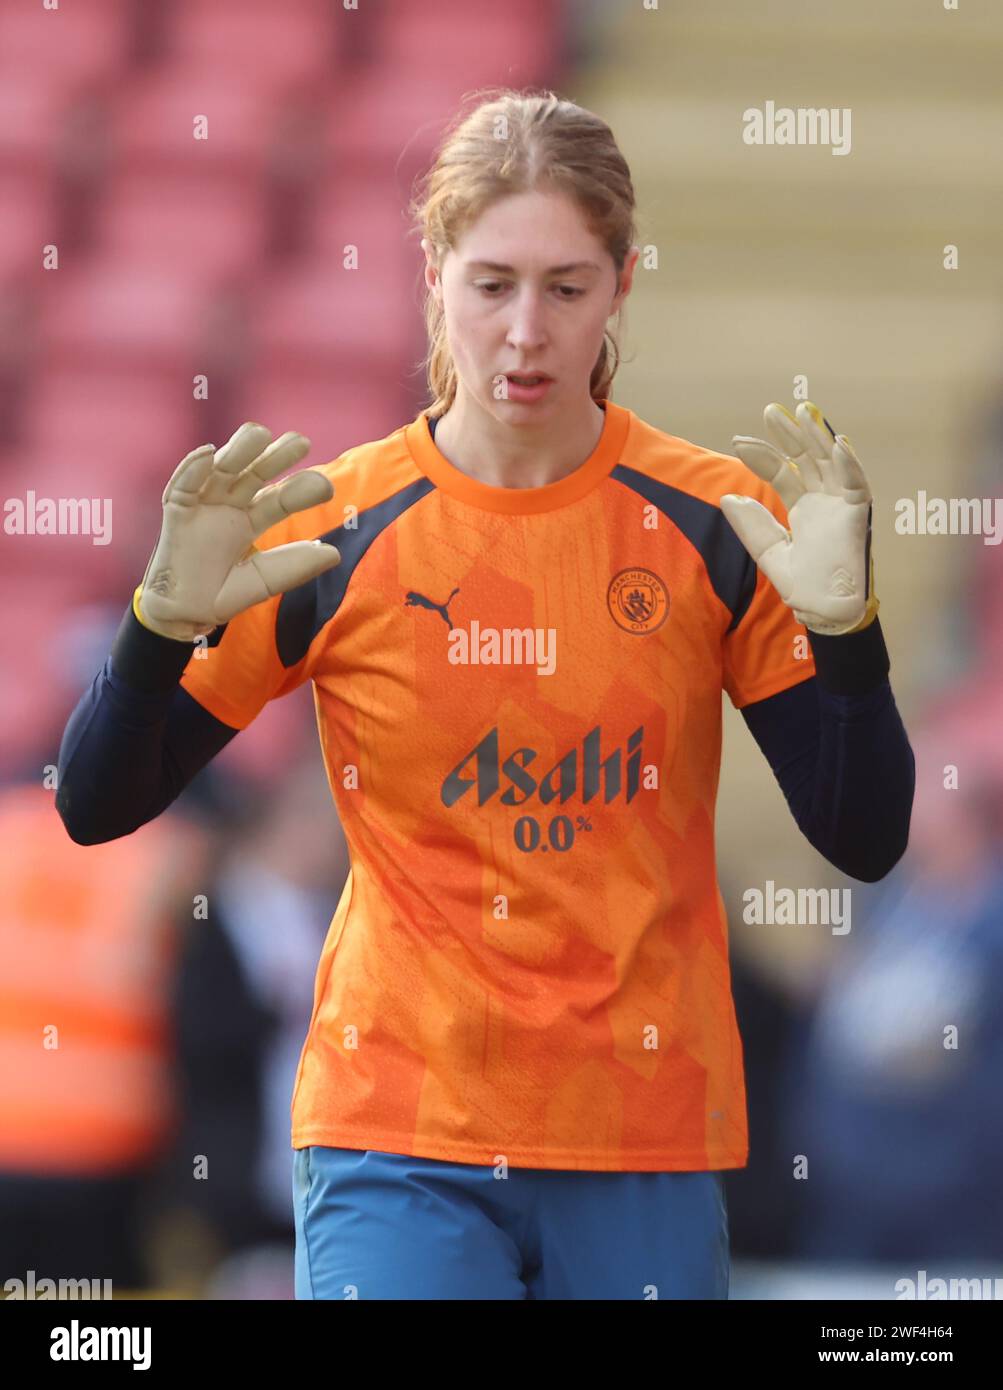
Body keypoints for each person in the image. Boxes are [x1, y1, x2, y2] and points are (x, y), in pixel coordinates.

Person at [55, 88, 915, 1300]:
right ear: (433, 277)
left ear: (621, 286)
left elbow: (865, 838)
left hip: (639, 1134)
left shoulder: (714, 525)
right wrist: (156, 627)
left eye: (566, 287)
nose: (525, 332)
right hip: (396, 1132)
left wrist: (847, 637)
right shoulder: (336, 530)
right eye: (492, 283)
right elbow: (94, 804)